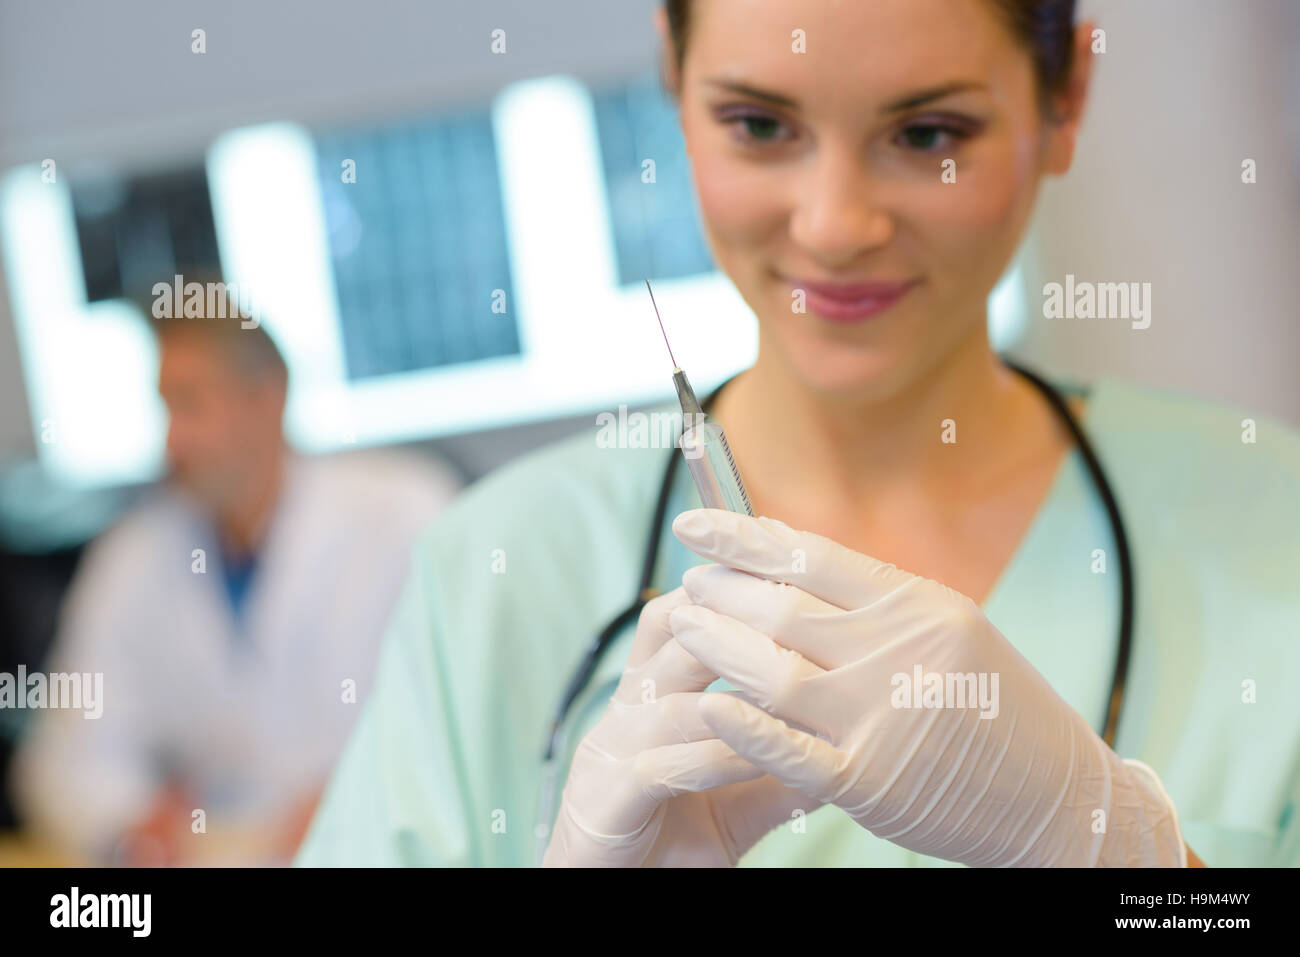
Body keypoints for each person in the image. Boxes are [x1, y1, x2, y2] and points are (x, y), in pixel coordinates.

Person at [295, 0, 1300, 867]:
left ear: (1066, 97)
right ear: (672, 78)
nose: (833, 225)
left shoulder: (1271, 522)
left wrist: (1122, 853)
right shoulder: (498, 572)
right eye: (758, 124)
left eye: (928, 135)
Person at [9, 289, 462, 865]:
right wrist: (127, 826)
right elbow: (63, 757)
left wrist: (367, 794)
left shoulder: (404, 513)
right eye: (165, 409)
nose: (174, 441)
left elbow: (480, 712)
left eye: (190, 405)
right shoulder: (135, 556)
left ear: (267, 399)